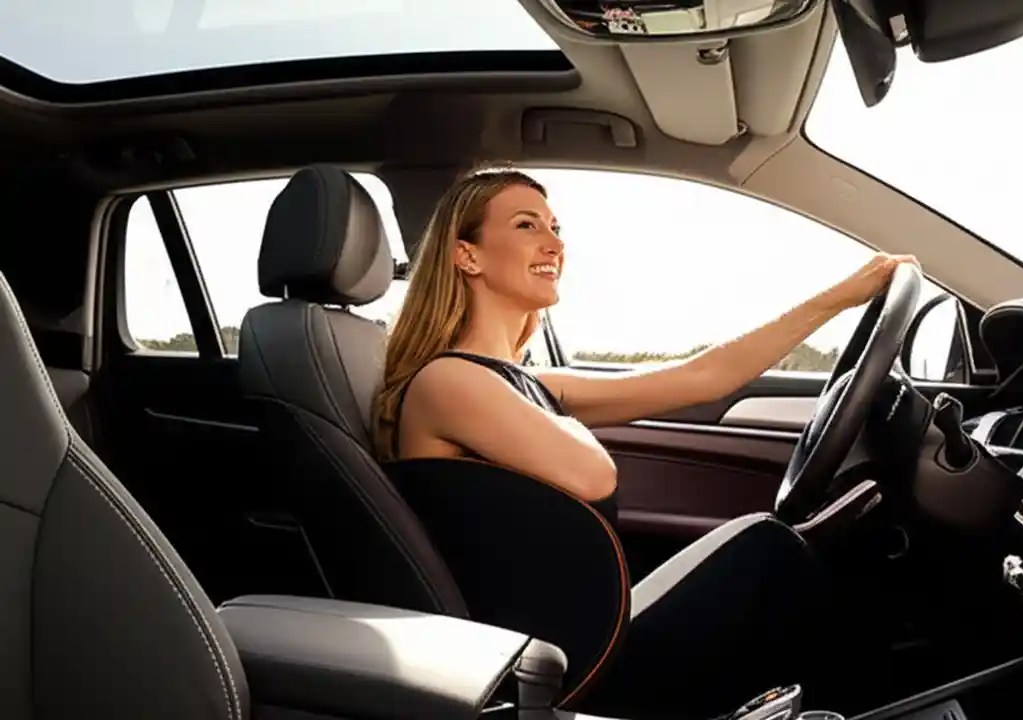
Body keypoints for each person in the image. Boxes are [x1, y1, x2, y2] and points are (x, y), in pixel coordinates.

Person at [371, 166, 918, 718]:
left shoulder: (518, 383)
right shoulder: (448, 381)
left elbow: (704, 378)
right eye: (526, 225)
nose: (554, 242)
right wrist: (554, 401)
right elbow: (593, 475)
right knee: (771, 554)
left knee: (768, 542)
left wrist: (843, 297)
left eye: (555, 226)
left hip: (577, 630)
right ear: (468, 256)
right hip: (554, 666)